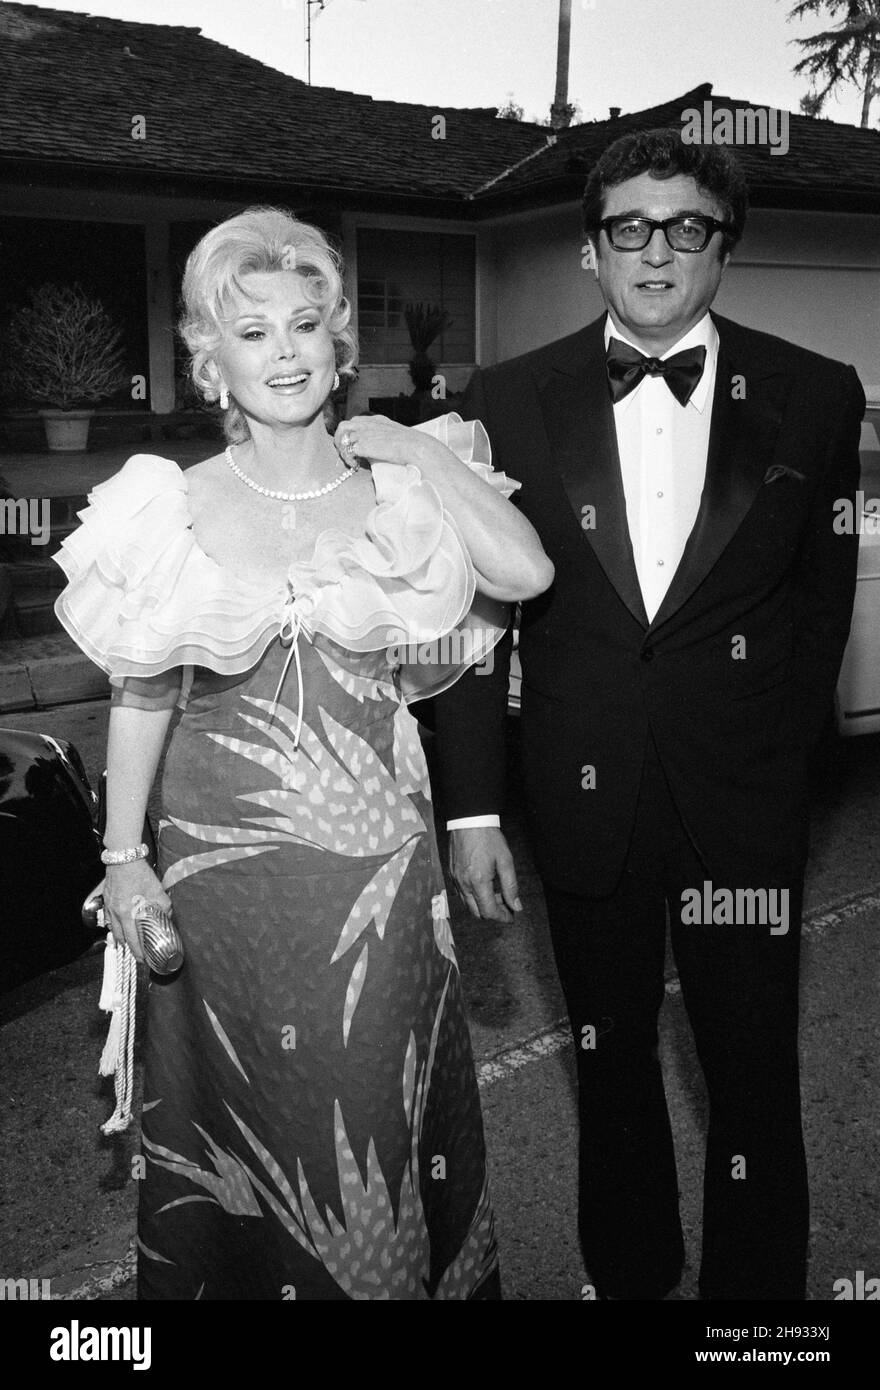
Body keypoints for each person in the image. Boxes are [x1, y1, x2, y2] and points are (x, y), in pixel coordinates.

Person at [54, 206, 553, 1301]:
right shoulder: (166, 505)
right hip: (214, 880)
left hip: (369, 876)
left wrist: (423, 445)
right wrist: (123, 854)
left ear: (337, 350)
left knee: (362, 1123)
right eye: (251, 331)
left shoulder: (403, 486)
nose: (282, 350)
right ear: (210, 362)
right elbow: (142, 692)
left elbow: (523, 573)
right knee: (231, 1123)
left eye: (304, 325)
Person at [430, 128, 864, 1301]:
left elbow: (821, 609)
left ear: (724, 249)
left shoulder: (818, 395)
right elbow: (472, 621)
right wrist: (470, 810)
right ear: (589, 249)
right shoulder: (508, 398)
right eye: (628, 227)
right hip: (582, 799)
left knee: (752, 1075)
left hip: (744, 807)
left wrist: (782, 768)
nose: (656, 250)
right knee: (609, 1063)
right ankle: (628, 1276)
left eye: (687, 228)